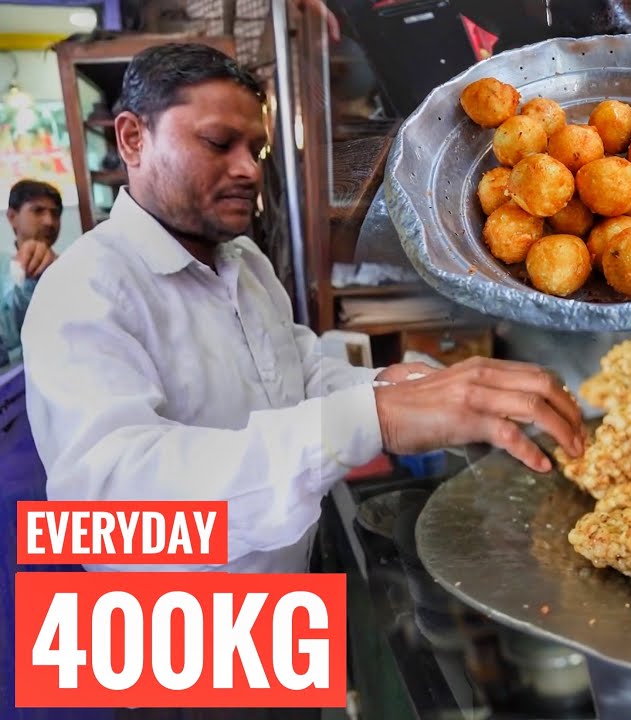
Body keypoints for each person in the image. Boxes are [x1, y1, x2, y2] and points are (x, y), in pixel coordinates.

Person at [20, 43, 586, 576]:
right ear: (132, 138)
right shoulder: (83, 292)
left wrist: (389, 385)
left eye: (255, 150)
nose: (248, 170)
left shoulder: (242, 261)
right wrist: (373, 420)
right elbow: (114, 510)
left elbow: (294, 371)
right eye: (219, 143)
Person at [2, 180, 61, 365]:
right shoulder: (4, 268)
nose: (49, 221)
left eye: (55, 213)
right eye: (38, 211)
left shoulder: (72, 265)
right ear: (12, 216)